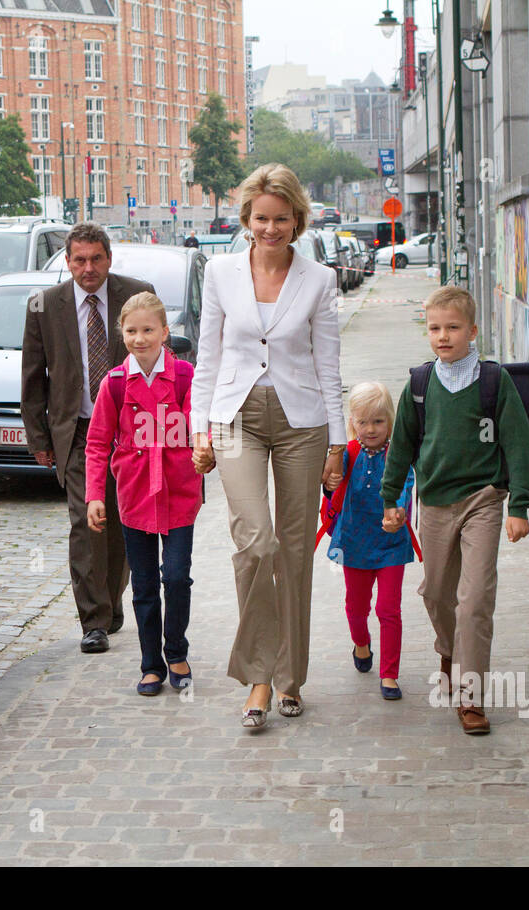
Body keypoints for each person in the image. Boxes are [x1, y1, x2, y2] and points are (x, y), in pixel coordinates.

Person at [190, 162, 345, 729]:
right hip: (237, 418)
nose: (270, 229)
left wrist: (337, 444)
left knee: (296, 550)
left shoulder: (319, 280)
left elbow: (329, 366)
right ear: (247, 219)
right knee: (257, 542)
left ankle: (290, 676)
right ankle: (258, 675)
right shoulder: (220, 272)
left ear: (297, 220)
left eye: (281, 219)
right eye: (261, 219)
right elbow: (208, 358)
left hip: (303, 421)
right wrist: (198, 429)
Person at [380, 285, 529, 735]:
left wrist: (518, 505)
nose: (443, 336)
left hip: (484, 499)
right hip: (435, 503)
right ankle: (448, 648)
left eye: (452, 327)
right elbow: (402, 447)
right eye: (434, 328)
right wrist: (392, 500)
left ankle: (471, 697)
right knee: (435, 593)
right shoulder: (421, 384)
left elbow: (518, 446)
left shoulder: (493, 381)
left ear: (471, 330)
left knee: (475, 600)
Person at [21, 223, 156, 654]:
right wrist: (39, 436)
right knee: (86, 522)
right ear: (67, 262)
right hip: (78, 431)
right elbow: (32, 376)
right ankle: (93, 621)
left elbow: (157, 354)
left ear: (109, 259)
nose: (88, 268)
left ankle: (112, 599)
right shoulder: (45, 306)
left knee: (119, 522)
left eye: (96, 258)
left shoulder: (136, 294)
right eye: (79, 260)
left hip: (130, 430)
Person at [86, 292, 206, 695]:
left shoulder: (187, 377)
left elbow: (199, 429)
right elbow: (98, 443)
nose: (140, 338)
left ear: (165, 333)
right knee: (143, 585)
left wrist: (205, 450)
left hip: (179, 492)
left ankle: (176, 651)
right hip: (134, 493)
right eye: (132, 330)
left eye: (149, 330)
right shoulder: (115, 383)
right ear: (121, 334)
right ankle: (150, 663)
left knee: (176, 577)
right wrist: (95, 495)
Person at [321, 382, 416, 700]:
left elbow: (405, 483)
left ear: (390, 421)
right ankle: (361, 644)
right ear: (353, 423)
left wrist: (399, 510)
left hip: (391, 544)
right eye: (363, 422)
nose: (371, 429)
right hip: (355, 544)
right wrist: (329, 480)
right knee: (356, 606)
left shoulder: (398, 456)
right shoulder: (347, 452)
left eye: (378, 421)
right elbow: (330, 483)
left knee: (389, 609)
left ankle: (390, 675)